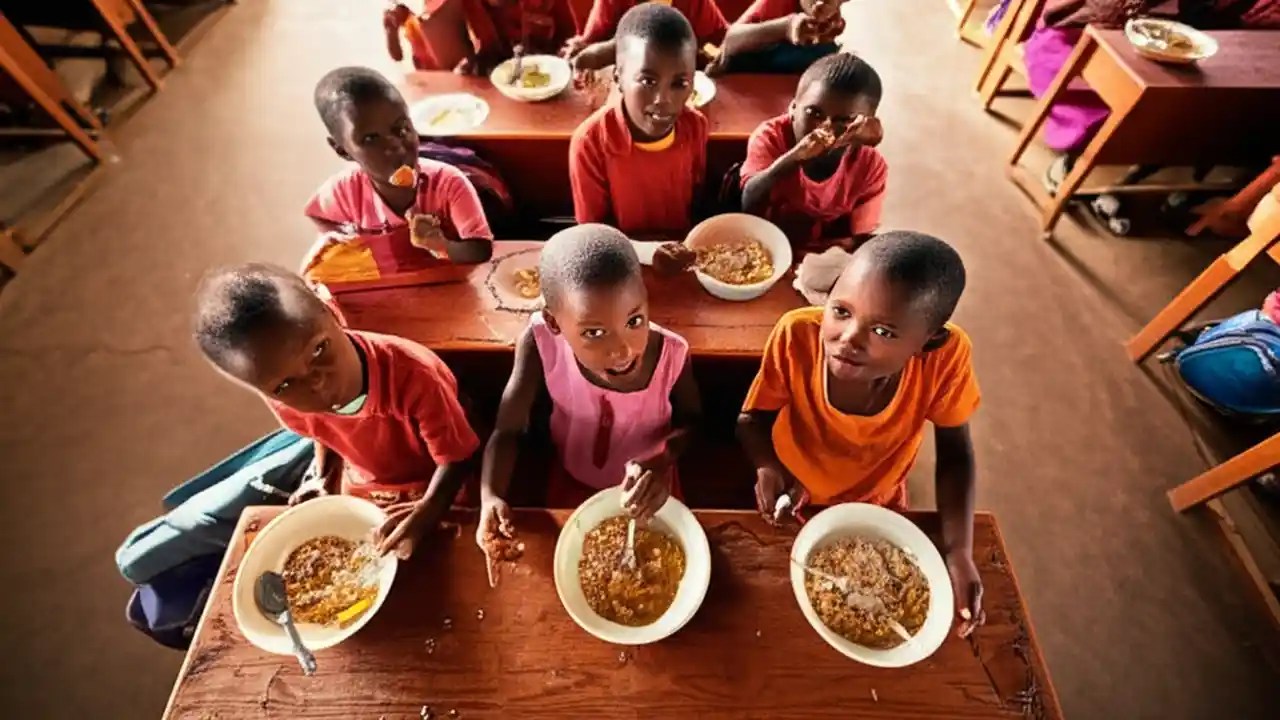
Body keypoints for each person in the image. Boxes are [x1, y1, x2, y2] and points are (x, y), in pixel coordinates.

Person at [737, 231, 984, 637]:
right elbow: (751, 420)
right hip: (794, 496)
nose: (848, 339)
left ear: (929, 341)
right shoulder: (796, 335)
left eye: (884, 331)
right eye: (841, 311)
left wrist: (959, 551)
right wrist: (768, 467)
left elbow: (956, 452)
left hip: (879, 503)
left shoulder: (947, 358)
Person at [193, 264, 482, 559]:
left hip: (438, 484)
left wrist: (427, 512)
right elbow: (324, 432)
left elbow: (459, 457)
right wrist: (322, 476)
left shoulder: (414, 376)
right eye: (284, 384)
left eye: (318, 350)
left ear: (333, 313)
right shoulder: (286, 402)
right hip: (367, 486)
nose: (315, 381)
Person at [476, 224, 702, 577]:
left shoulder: (672, 354)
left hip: (651, 487)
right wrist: (491, 494)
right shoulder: (539, 343)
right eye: (594, 333)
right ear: (554, 322)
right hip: (571, 478)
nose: (623, 349)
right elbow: (507, 428)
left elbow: (695, 422)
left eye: (634, 320)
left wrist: (662, 460)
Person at [305, 66, 492, 270]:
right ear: (342, 150)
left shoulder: (448, 183)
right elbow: (320, 218)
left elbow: (480, 250)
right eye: (370, 139)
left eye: (401, 128)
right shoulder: (342, 192)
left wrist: (441, 245)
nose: (395, 145)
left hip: (447, 280)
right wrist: (343, 242)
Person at [569, 3, 708, 236]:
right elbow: (593, 235)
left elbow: (697, 199)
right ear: (618, 77)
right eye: (647, 81)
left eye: (680, 84)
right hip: (620, 263)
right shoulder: (590, 143)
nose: (663, 99)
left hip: (681, 253)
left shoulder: (695, 126)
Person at [740, 52, 886, 256]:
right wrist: (795, 157)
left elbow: (857, 238)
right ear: (792, 107)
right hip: (763, 247)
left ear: (865, 124)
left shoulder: (870, 166)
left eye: (844, 121)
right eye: (814, 114)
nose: (824, 128)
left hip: (823, 257)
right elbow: (749, 202)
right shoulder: (770, 137)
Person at [567, 0, 729, 71]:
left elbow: (721, 42)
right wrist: (578, 51)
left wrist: (713, 57)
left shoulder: (695, 3)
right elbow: (591, 43)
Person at [714, 0, 847, 74]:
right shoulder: (777, 3)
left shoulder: (835, 24)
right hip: (741, 89)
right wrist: (784, 28)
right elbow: (730, 39)